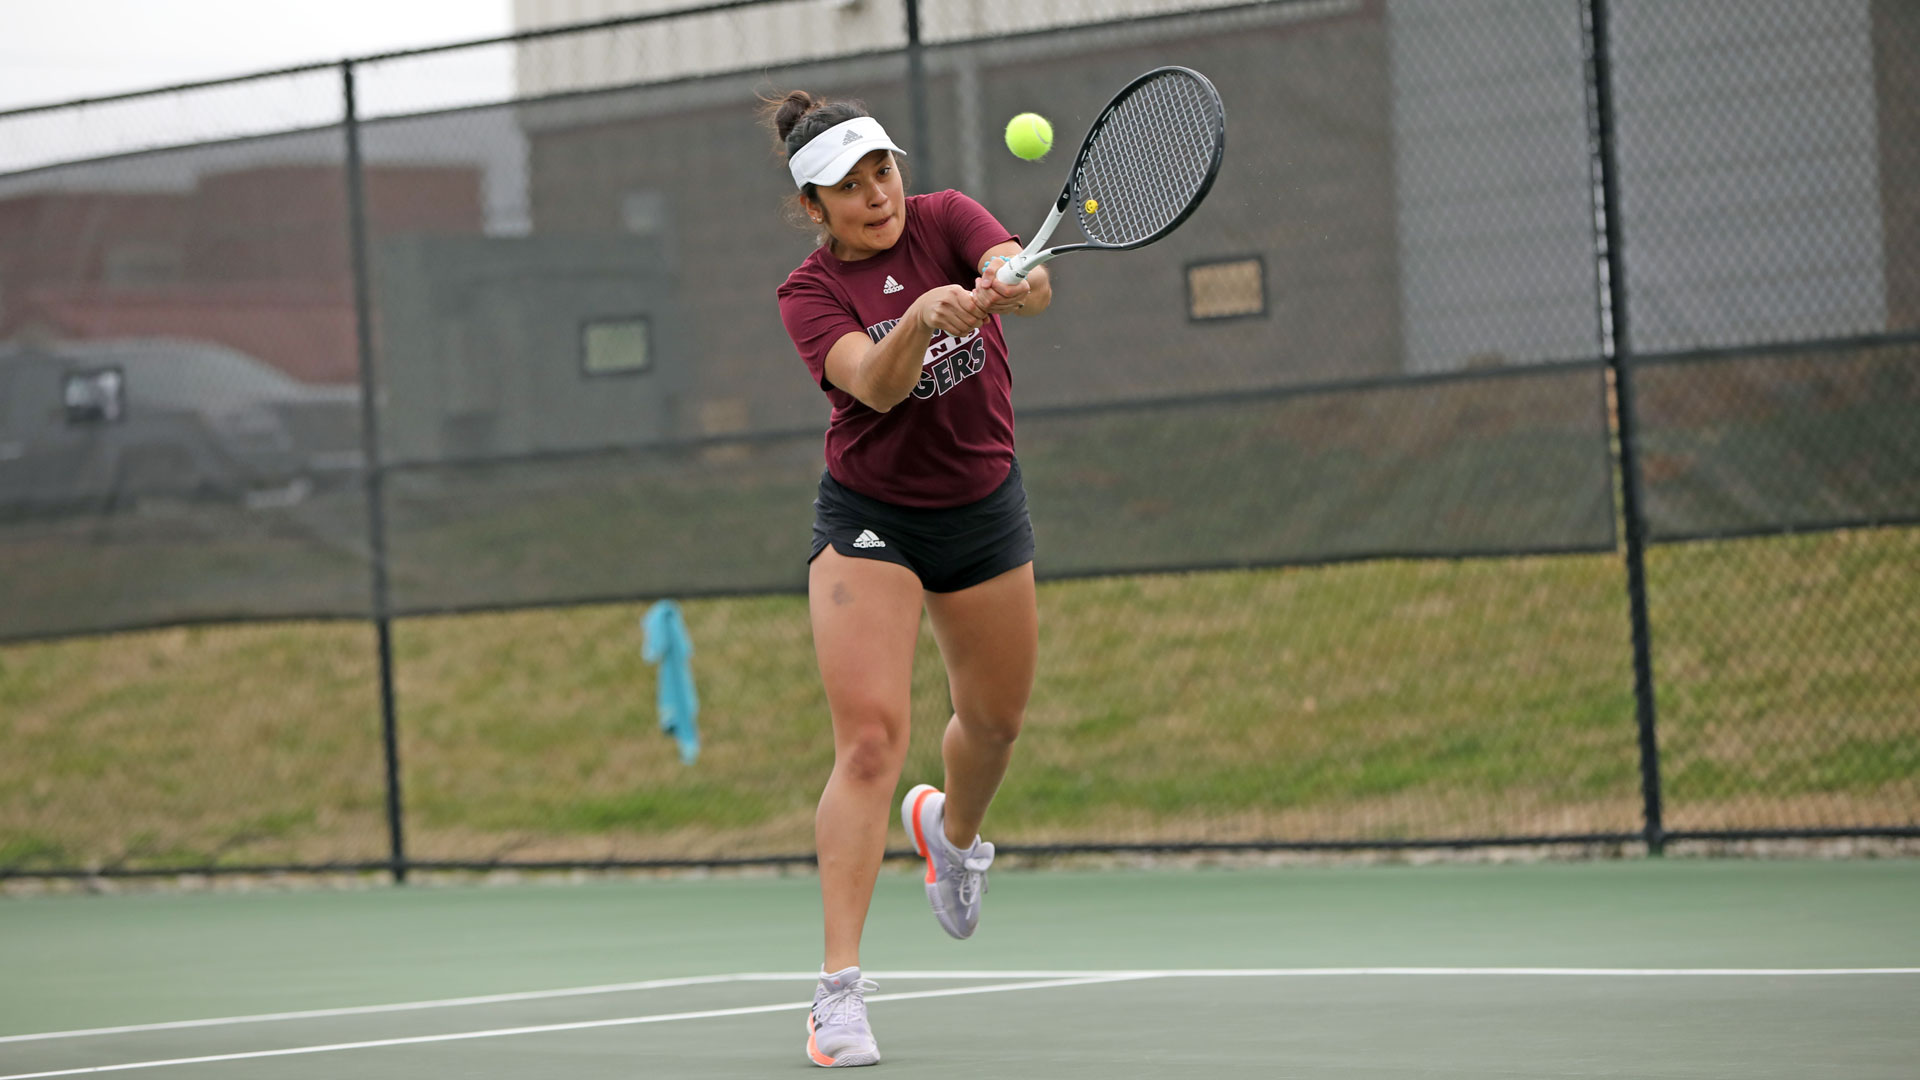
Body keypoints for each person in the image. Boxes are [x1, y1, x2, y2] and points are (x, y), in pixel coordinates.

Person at [766, 90, 1053, 1068]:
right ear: (815, 207)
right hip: (871, 519)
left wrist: (1008, 278)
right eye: (849, 187)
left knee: (996, 724)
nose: (876, 195)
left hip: (982, 506)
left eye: (881, 171)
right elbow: (877, 385)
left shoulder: (946, 216)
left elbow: (1031, 282)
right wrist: (922, 320)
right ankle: (837, 994)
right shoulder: (808, 293)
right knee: (868, 744)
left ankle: (952, 836)